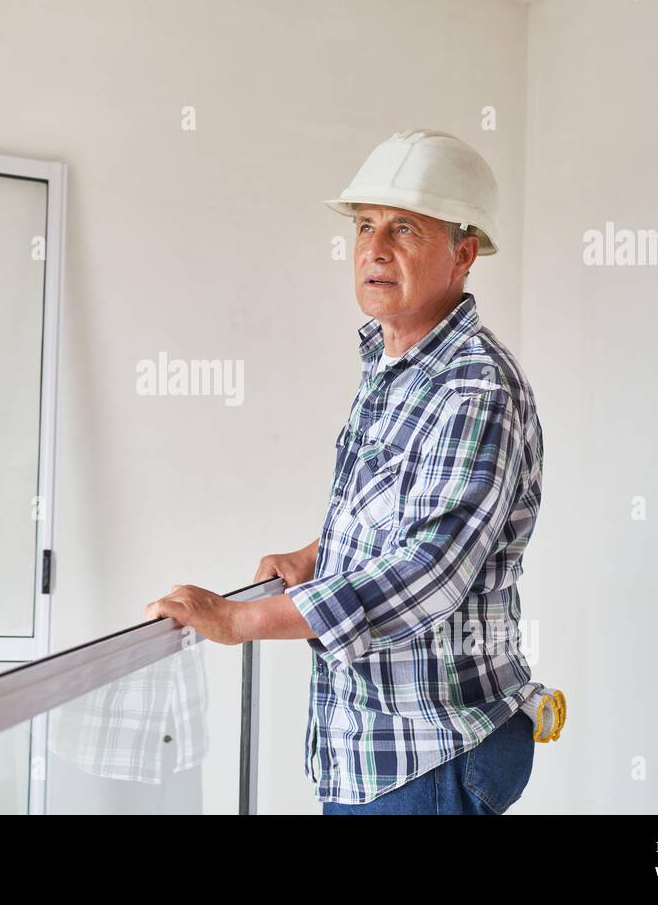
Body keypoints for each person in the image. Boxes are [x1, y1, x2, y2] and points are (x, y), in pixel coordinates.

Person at [145, 130, 566, 814]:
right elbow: (401, 510)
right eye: (366, 225)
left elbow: (429, 570)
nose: (375, 248)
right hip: (382, 746)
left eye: (405, 228)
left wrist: (239, 618)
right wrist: (316, 555)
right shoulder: (394, 365)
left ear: (463, 253)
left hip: (433, 748)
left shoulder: (473, 387)